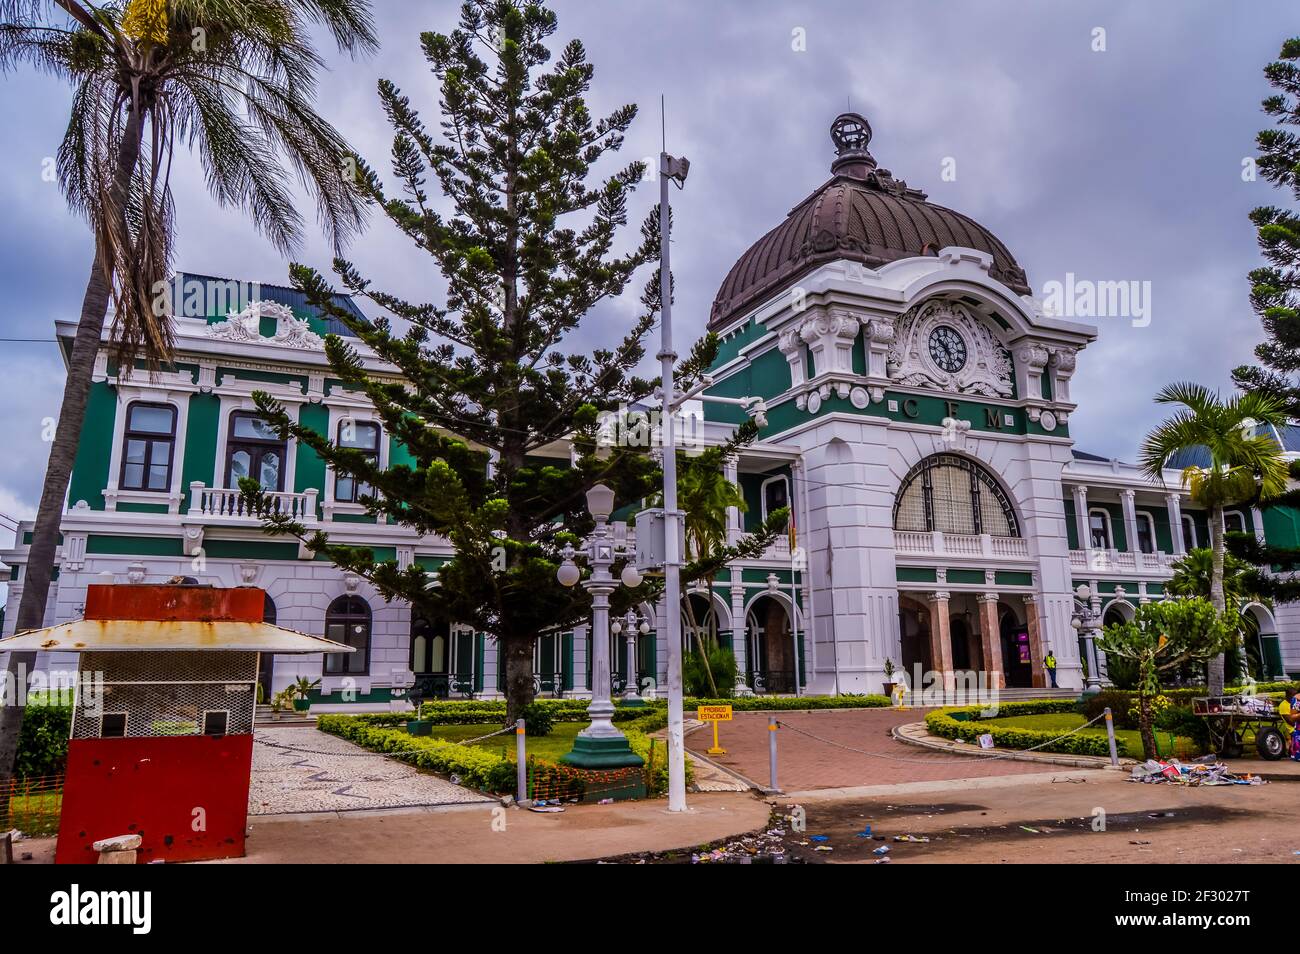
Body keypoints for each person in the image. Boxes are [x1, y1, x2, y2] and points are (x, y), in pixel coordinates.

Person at [1279, 687, 1300, 760]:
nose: (1295, 697)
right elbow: (1290, 721)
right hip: (1292, 728)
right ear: (1287, 695)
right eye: (1293, 695)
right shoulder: (1283, 705)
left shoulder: (1294, 703)